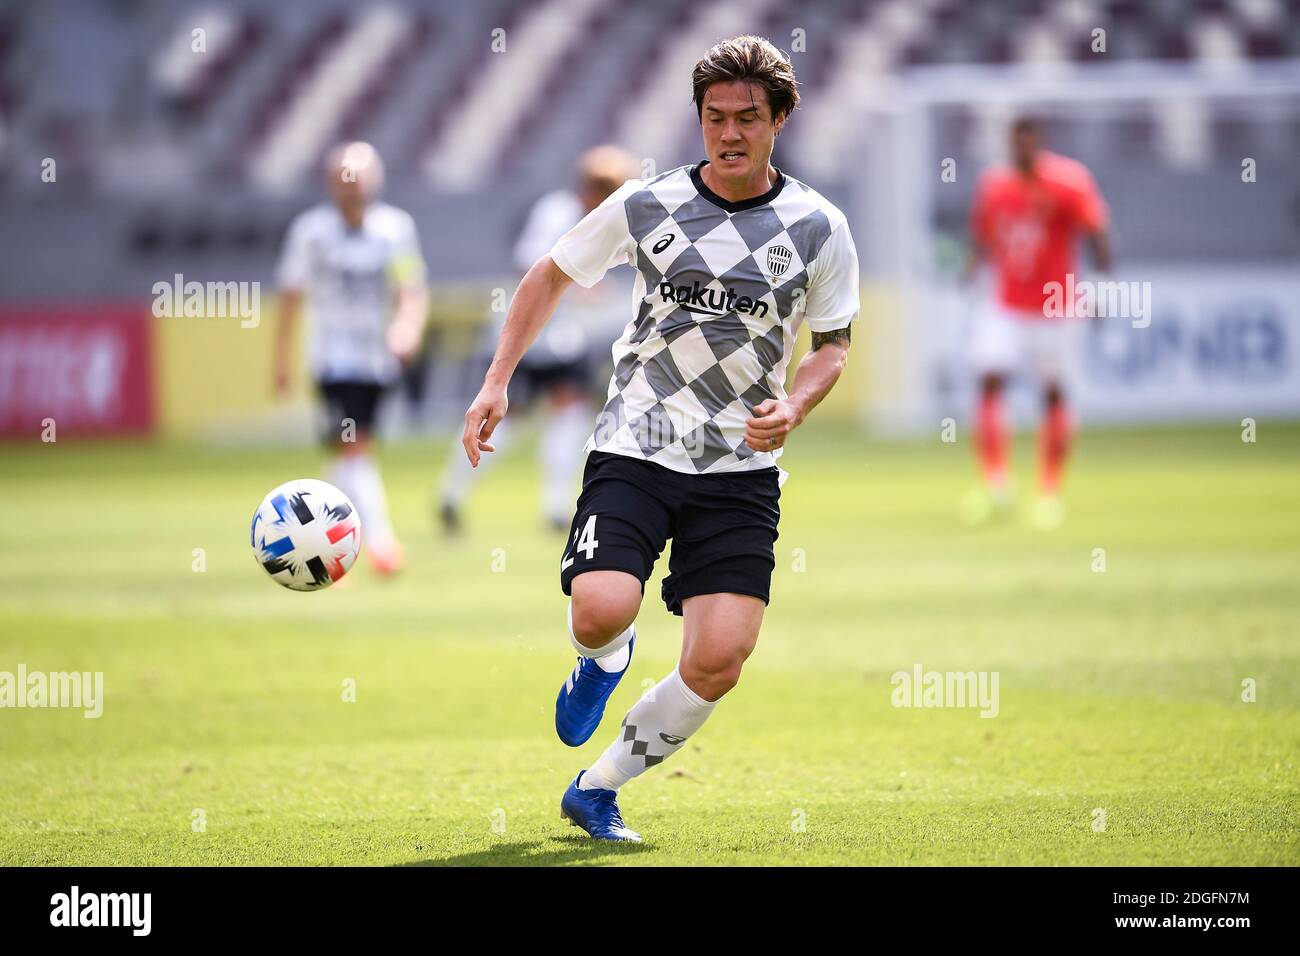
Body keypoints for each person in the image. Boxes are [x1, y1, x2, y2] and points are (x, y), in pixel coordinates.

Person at [460, 36, 859, 841]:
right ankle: (603, 659)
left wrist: (798, 407)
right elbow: (550, 274)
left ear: (781, 119)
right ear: (698, 119)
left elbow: (834, 345)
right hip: (639, 441)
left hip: (742, 466)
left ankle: (598, 788)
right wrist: (498, 378)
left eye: (749, 117)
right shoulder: (649, 203)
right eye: (715, 117)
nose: (730, 133)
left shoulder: (818, 226)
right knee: (603, 607)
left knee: (721, 658)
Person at [437, 146, 637, 534]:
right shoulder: (558, 213)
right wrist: (587, 290)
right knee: (513, 416)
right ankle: (455, 492)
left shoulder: (594, 218)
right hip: (537, 335)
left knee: (569, 413)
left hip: (565, 336)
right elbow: (539, 270)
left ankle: (552, 506)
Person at [273, 142, 429, 573]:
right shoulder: (311, 232)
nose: (352, 186)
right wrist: (282, 360)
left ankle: (319, 544)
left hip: (377, 361)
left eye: (359, 178)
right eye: (345, 178)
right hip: (332, 358)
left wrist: (407, 327)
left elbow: (410, 289)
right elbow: (290, 295)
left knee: (352, 451)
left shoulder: (395, 229)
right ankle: (379, 542)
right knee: (354, 445)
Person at [963, 117, 1111, 528]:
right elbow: (983, 237)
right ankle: (997, 485)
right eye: (1015, 141)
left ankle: (1048, 493)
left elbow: (1097, 234)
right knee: (990, 379)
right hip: (1007, 304)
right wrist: (971, 272)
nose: (1022, 149)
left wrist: (1098, 288)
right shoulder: (995, 186)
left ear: (1039, 143)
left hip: (1055, 308)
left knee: (1053, 395)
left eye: (1028, 141)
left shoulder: (1069, 182)